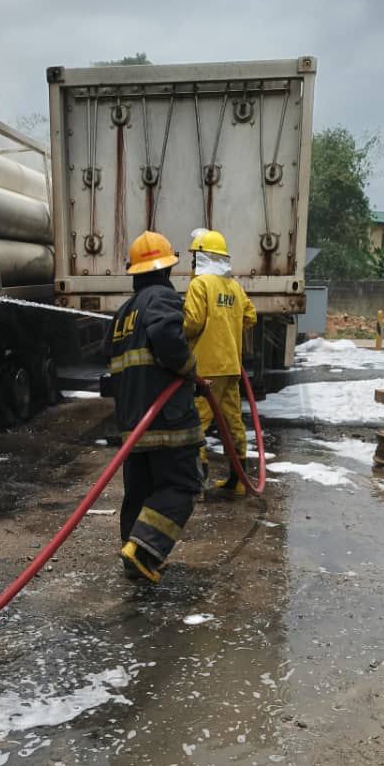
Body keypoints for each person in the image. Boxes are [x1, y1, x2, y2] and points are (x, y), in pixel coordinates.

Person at [104, 230, 203, 585]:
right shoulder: (161, 297)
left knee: (140, 491)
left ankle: (135, 555)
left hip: (134, 424)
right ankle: (144, 549)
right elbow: (166, 338)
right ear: (165, 271)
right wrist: (190, 370)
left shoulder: (123, 313)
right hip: (167, 421)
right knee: (184, 484)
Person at [183, 228, 257, 496]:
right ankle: (238, 481)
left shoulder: (200, 285)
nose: (191, 263)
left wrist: (173, 328)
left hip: (206, 367)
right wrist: (229, 328)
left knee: (197, 424)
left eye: (194, 257)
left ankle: (197, 484)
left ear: (203, 257)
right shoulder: (234, 287)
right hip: (231, 366)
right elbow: (251, 317)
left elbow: (192, 322)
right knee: (232, 422)